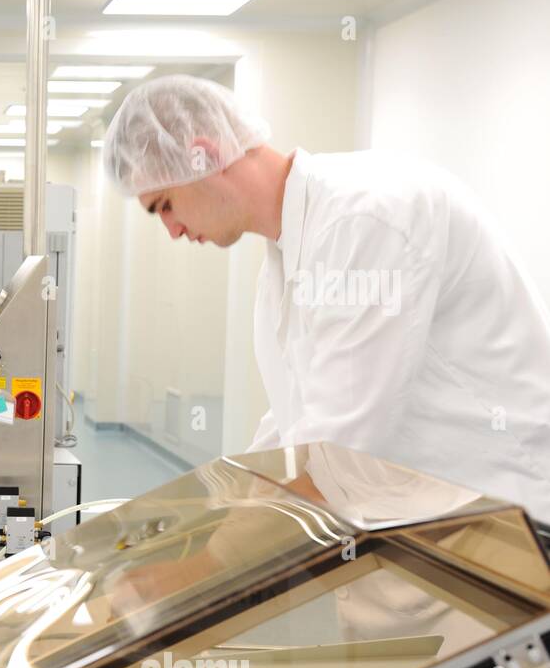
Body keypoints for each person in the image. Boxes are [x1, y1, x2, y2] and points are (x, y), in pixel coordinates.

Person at [103, 75, 550, 519]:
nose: (172, 229)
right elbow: (296, 418)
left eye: (164, 204)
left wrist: (207, 555)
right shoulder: (290, 252)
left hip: (511, 520)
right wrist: (219, 505)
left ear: (207, 154)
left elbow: (340, 448)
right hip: (427, 519)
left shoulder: (367, 216)